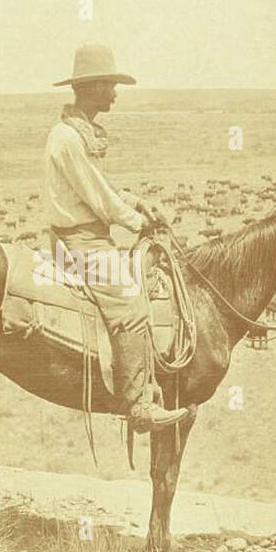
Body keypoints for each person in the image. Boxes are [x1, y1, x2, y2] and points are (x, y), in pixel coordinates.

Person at [43, 44, 186, 432]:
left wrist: (139, 203)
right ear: (91, 88)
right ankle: (139, 406)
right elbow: (100, 200)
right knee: (131, 305)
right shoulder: (68, 139)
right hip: (81, 242)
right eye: (110, 85)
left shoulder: (77, 133)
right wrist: (136, 221)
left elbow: (101, 188)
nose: (115, 93)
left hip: (89, 234)